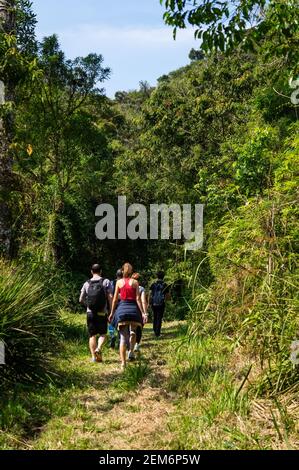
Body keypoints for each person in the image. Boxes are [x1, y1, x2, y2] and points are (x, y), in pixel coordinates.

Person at [108, 263, 146, 370]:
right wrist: (143, 313)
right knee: (133, 331)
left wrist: (111, 313)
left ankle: (123, 363)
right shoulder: (135, 282)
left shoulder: (119, 282)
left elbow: (115, 299)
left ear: (122, 271)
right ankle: (131, 352)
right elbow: (138, 299)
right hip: (133, 310)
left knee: (123, 338)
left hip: (122, 310)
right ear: (131, 271)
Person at [79, 264, 112, 363]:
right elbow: (110, 297)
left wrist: (88, 305)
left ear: (91, 271)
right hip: (102, 312)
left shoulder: (86, 283)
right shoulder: (106, 281)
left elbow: (80, 299)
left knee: (92, 335)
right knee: (102, 333)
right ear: (101, 271)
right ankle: (98, 348)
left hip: (90, 312)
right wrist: (110, 310)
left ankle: (93, 357)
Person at [149, 271, 169, 338]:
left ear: (157, 276)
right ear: (163, 276)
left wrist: (149, 302)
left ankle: (155, 330)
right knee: (159, 317)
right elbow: (167, 295)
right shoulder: (165, 284)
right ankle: (158, 332)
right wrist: (165, 300)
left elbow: (150, 294)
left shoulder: (153, 284)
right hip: (161, 303)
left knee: (155, 316)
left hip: (154, 303)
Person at [131, 272, 148, 352]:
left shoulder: (128, 286)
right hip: (138, 310)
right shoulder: (141, 288)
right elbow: (143, 301)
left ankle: (130, 344)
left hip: (129, 308)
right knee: (139, 327)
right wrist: (145, 313)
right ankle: (137, 344)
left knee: (130, 327)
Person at [108, 269, 123, 349]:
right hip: (121, 305)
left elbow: (109, 294)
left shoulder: (111, 282)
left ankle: (112, 336)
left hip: (112, 305)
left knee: (111, 323)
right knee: (120, 323)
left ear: (116, 275)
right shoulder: (123, 283)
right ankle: (120, 339)